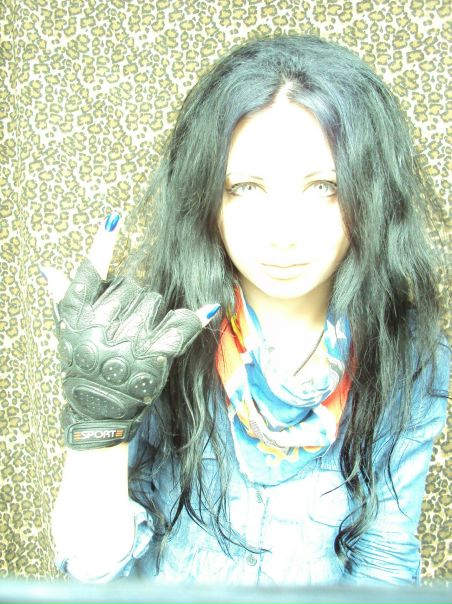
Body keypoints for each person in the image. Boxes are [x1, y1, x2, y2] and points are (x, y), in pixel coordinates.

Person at [43, 35, 449, 586]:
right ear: (207, 197)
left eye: (324, 186)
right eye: (247, 187)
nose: (284, 233)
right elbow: (92, 568)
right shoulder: (147, 338)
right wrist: (99, 416)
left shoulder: (412, 356)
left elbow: (384, 563)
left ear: (371, 193)